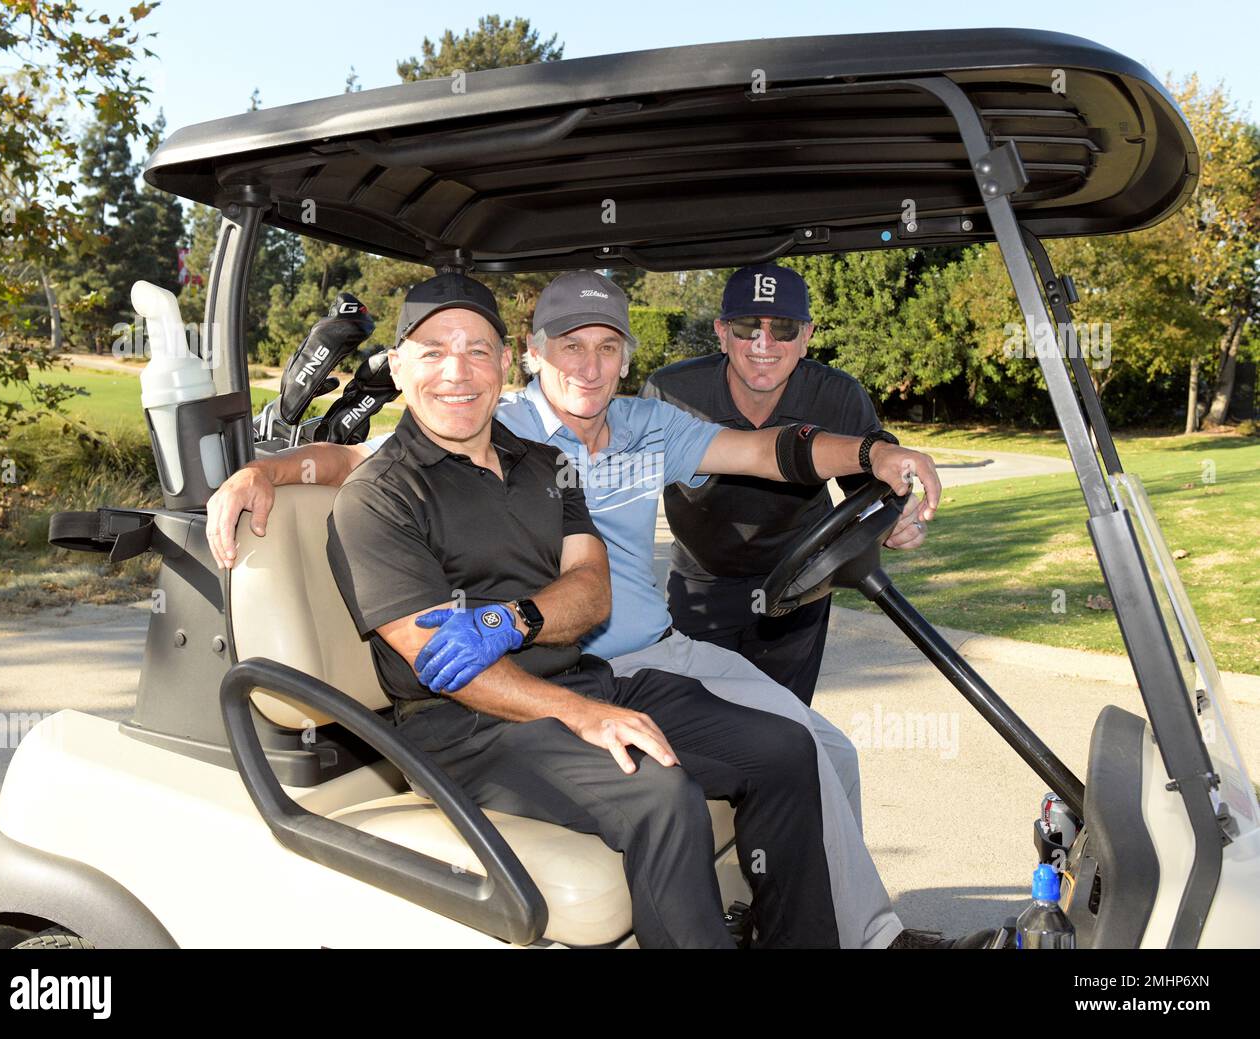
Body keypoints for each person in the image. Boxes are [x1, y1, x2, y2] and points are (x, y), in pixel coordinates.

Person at [207, 271, 989, 950]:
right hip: (486, 712)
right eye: (567, 345)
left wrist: (875, 454)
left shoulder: (559, 457)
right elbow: (359, 465)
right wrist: (264, 468)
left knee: (795, 750)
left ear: (620, 355)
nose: (587, 363)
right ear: (533, 354)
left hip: (603, 663)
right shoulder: (468, 432)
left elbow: (751, 463)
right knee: (663, 793)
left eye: (606, 346)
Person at [325, 272, 838, 948]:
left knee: (784, 747)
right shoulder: (381, 498)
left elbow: (591, 586)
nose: (458, 371)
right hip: (469, 729)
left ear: (505, 363)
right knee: (662, 794)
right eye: (433, 351)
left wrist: (514, 620)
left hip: (583, 678)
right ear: (398, 367)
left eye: (477, 350)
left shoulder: (543, 463)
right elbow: (445, 667)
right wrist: (580, 711)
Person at [640, 263, 926, 706]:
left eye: (784, 329)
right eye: (746, 326)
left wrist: (900, 523)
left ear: (807, 335)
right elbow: (627, 497)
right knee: (696, 725)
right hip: (702, 581)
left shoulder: (837, 395)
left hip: (798, 580)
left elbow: (872, 497)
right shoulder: (673, 392)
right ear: (721, 332)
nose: (763, 343)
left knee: (786, 725)